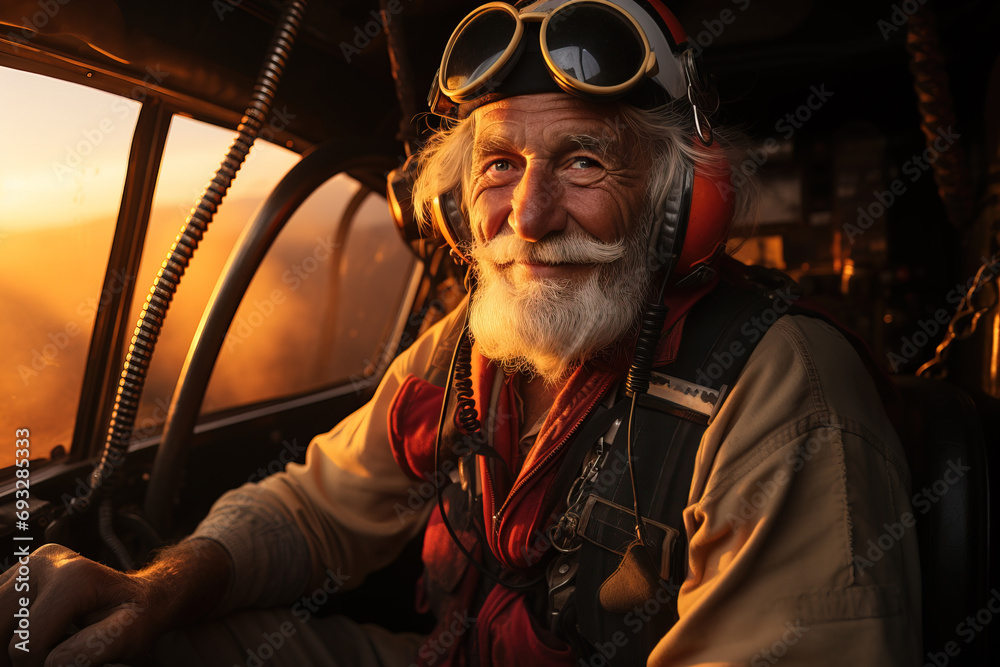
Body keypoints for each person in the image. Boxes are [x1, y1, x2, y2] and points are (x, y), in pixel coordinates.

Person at [0, 1, 921, 665]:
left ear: (679, 201)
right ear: (452, 204)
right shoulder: (470, 348)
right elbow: (320, 509)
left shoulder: (780, 389)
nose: (527, 214)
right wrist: (161, 586)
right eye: (500, 164)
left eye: (585, 158)